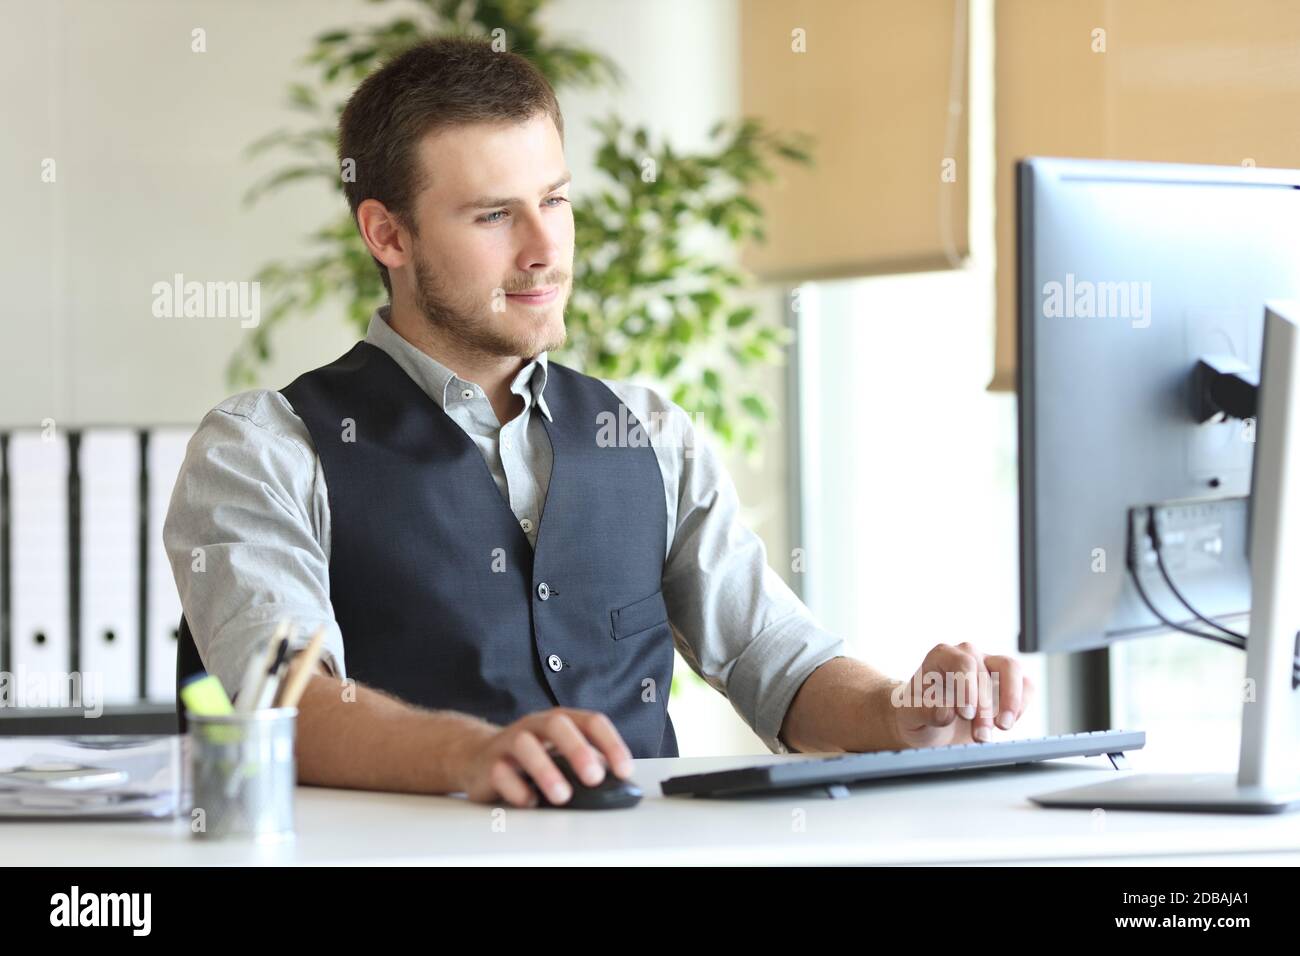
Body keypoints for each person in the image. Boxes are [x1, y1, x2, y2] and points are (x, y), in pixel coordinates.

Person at [165, 37, 1031, 809]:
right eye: (495, 214)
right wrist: (473, 753)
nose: (547, 249)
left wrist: (900, 710)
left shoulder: (651, 433)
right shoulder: (264, 449)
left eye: (557, 199)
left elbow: (776, 659)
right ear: (387, 235)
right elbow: (282, 706)